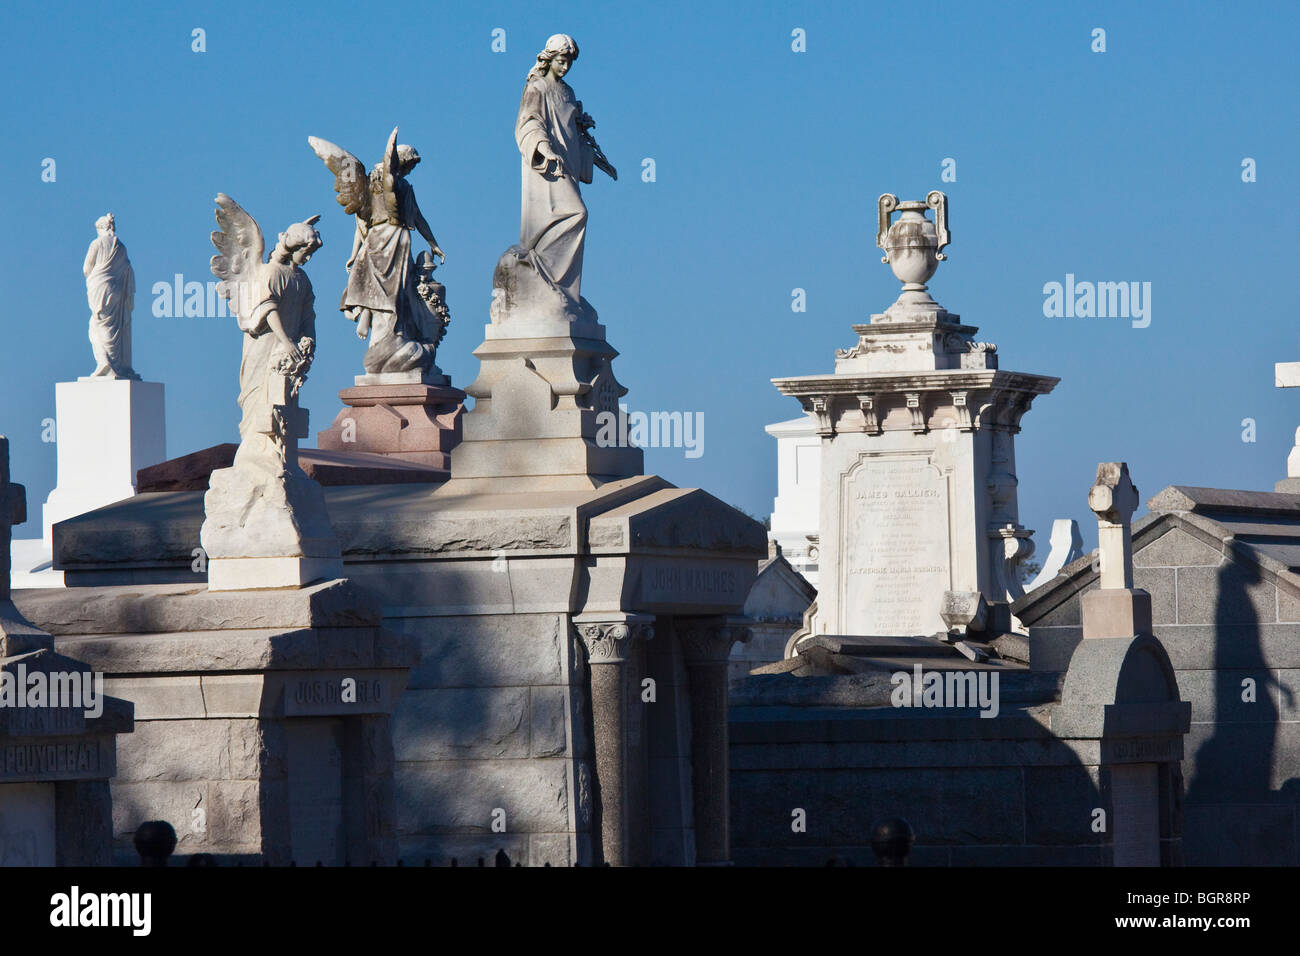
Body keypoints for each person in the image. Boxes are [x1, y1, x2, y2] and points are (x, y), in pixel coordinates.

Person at [515, 33, 606, 306]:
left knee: (571, 215)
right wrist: (543, 147)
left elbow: (571, 130)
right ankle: (545, 274)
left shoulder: (568, 92)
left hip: (566, 161)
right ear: (550, 58)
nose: (565, 67)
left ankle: (562, 287)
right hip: (548, 166)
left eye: (569, 62)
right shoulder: (537, 88)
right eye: (561, 61)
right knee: (576, 213)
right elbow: (528, 122)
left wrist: (583, 132)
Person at [83, 213, 139, 379]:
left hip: (100, 288)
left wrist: (97, 276)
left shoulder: (97, 243)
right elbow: (127, 269)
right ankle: (117, 366)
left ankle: (105, 364)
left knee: (96, 326)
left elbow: (86, 268)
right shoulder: (121, 247)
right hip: (117, 289)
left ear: (102, 228)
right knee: (116, 327)